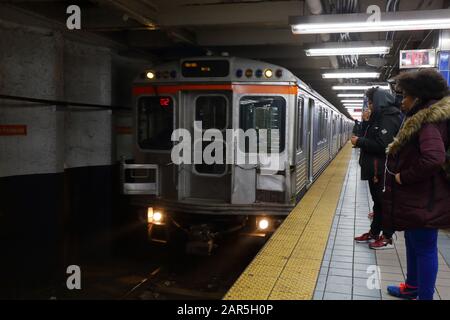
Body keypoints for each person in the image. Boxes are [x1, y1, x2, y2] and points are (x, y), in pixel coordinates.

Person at [383, 69, 450, 300]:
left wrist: (404, 177)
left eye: (406, 96)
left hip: (425, 198)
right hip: (420, 197)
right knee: (413, 241)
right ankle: (412, 287)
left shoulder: (429, 122)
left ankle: (424, 297)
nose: (402, 101)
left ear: (419, 97)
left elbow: (433, 158)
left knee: (424, 248)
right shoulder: (424, 117)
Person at [352, 87, 402, 249]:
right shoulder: (379, 118)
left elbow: (382, 145)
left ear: (379, 102)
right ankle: (374, 233)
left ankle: (387, 236)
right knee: (378, 203)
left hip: (381, 170)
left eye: (371, 103)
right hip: (375, 169)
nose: (370, 106)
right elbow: (371, 135)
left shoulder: (389, 118)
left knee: (384, 203)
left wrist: (359, 141)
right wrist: (366, 122)